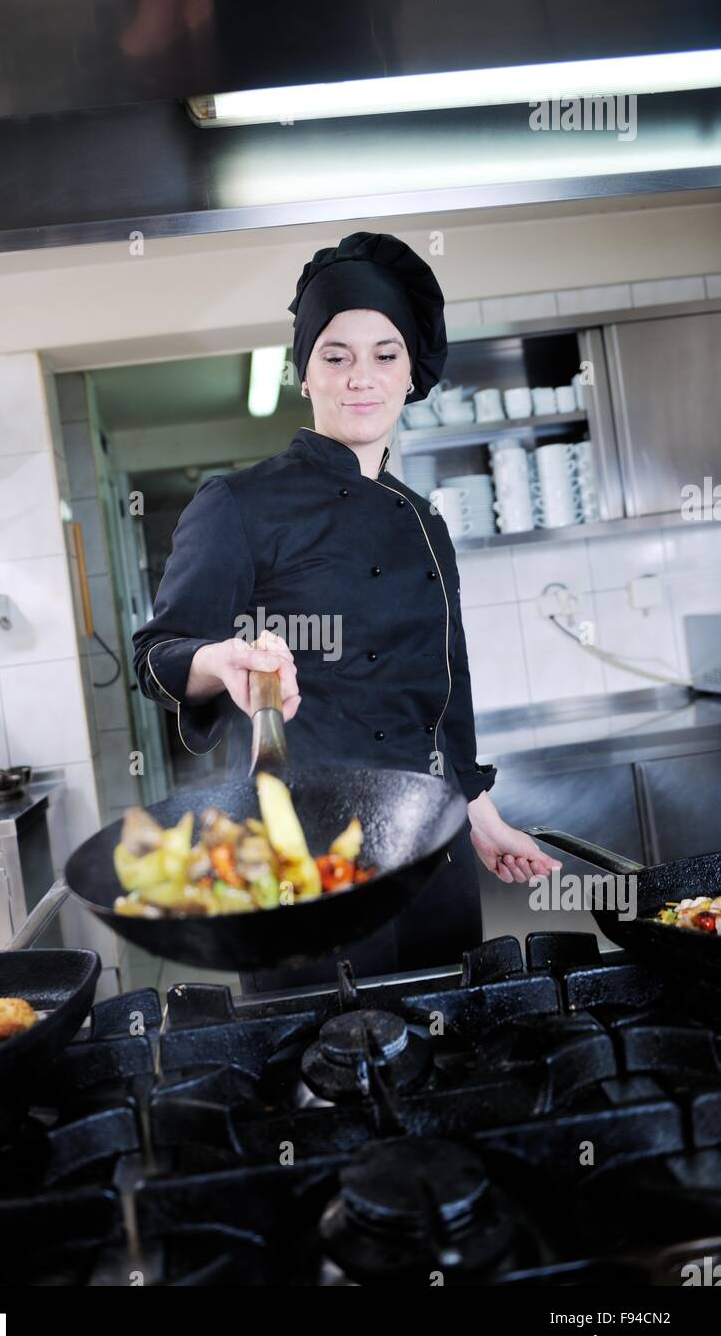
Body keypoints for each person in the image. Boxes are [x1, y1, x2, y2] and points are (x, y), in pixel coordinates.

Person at [132, 230, 561, 992]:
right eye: (336, 355)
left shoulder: (425, 521)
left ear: (410, 373)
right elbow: (158, 651)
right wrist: (219, 660)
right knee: (315, 1077)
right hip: (306, 863)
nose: (361, 377)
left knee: (451, 1061)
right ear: (305, 372)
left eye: (385, 354)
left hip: (435, 851)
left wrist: (484, 820)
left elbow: (444, 702)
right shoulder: (238, 504)